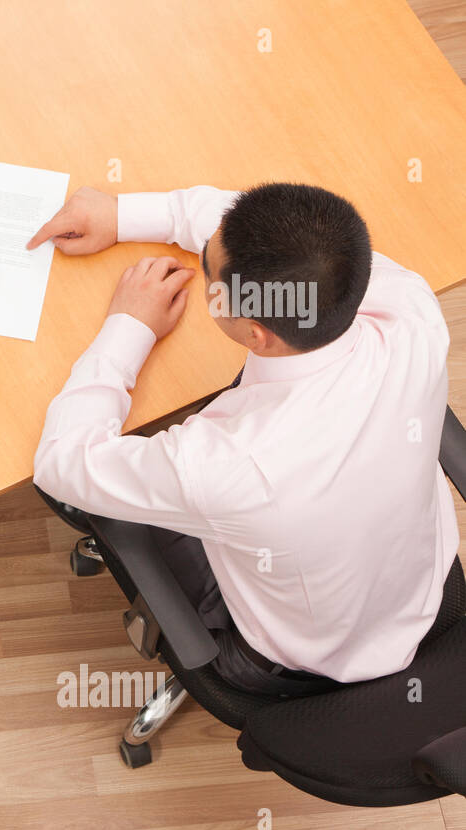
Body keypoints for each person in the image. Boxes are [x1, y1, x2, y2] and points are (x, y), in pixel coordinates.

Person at [29, 183, 461, 697]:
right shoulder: (412, 309)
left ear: (256, 333)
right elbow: (281, 235)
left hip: (297, 658)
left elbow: (60, 463)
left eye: (210, 279)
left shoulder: (226, 467)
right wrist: (124, 214)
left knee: (102, 501)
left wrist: (129, 327)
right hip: (415, 588)